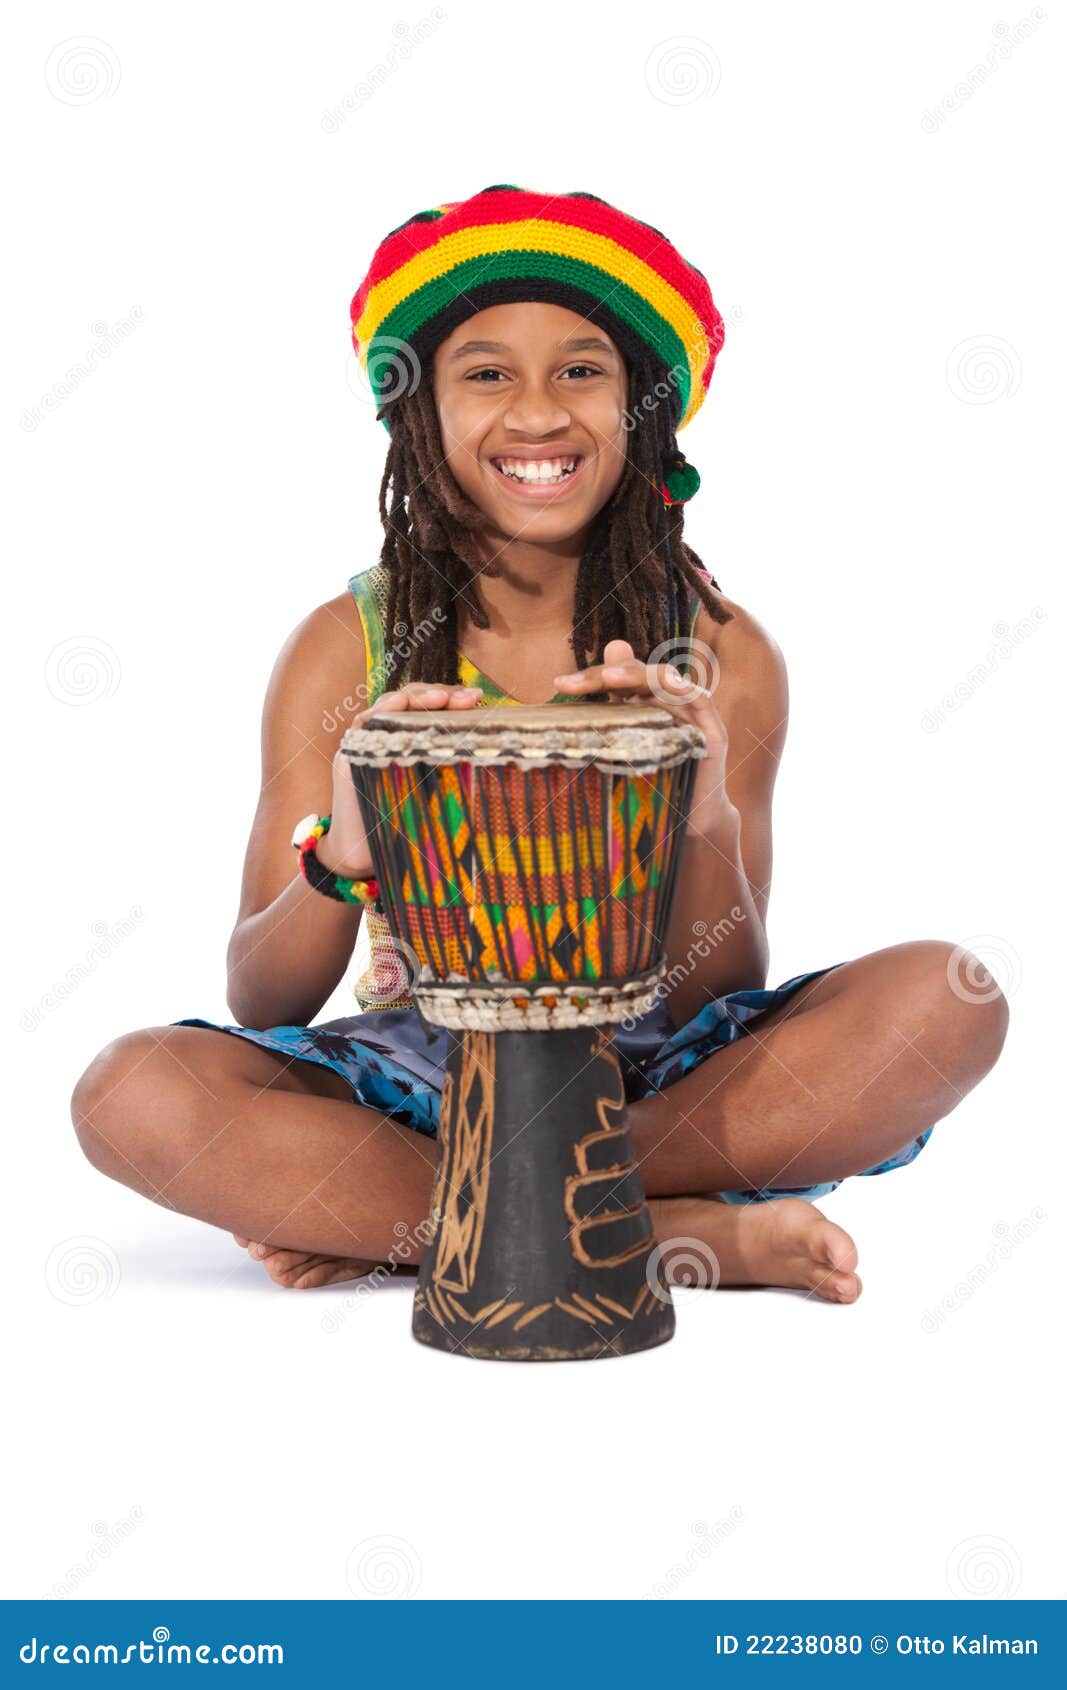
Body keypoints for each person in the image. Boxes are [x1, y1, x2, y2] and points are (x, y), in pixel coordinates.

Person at [71, 186, 1008, 1302]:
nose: (535, 413)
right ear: (418, 414)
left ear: (637, 411)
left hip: (652, 1074)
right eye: (483, 372)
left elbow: (723, 981)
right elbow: (261, 998)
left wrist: (699, 811)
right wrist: (350, 847)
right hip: (427, 1064)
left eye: (579, 370)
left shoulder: (716, 649)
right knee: (129, 1093)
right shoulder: (348, 645)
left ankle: (447, 1223)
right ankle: (656, 1234)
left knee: (949, 1000)